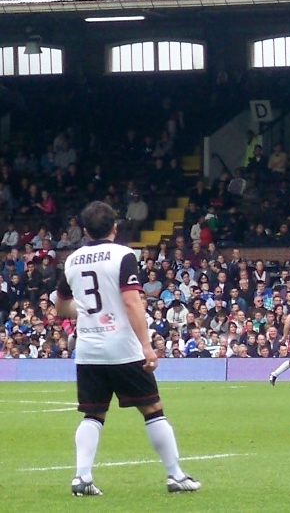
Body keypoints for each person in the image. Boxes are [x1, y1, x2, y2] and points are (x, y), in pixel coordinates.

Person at [55, 201, 200, 496]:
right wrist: (147, 346)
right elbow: (132, 301)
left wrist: (85, 310)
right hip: (121, 347)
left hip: (89, 349)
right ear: (115, 227)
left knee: (93, 414)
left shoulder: (72, 260)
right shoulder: (123, 255)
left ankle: (82, 478)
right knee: (152, 409)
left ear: (84, 231)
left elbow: (61, 307)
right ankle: (175, 475)